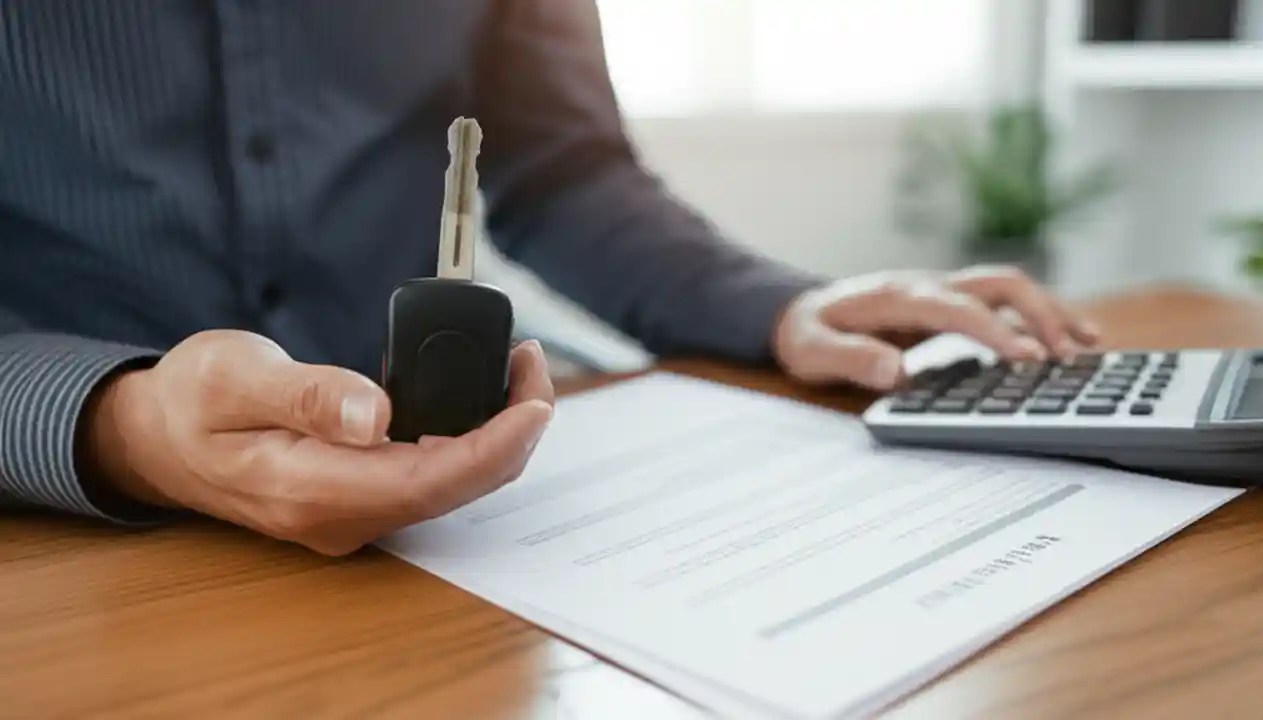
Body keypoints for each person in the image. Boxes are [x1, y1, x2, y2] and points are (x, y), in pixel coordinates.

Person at [0, 1, 1096, 556]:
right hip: (61, 536)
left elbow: (564, 168)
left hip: (441, 516)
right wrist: (116, 424)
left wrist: (776, 302)